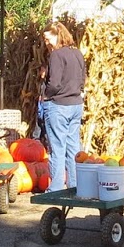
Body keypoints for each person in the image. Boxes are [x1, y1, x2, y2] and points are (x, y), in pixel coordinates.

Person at [40, 22, 86, 193]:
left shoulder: (56, 55)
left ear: (58, 35)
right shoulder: (78, 53)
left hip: (58, 105)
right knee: (73, 147)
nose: (46, 43)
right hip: (76, 105)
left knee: (57, 148)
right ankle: (75, 186)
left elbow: (55, 83)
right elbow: (83, 79)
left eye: (48, 39)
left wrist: (46, 95)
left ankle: (56, 187)